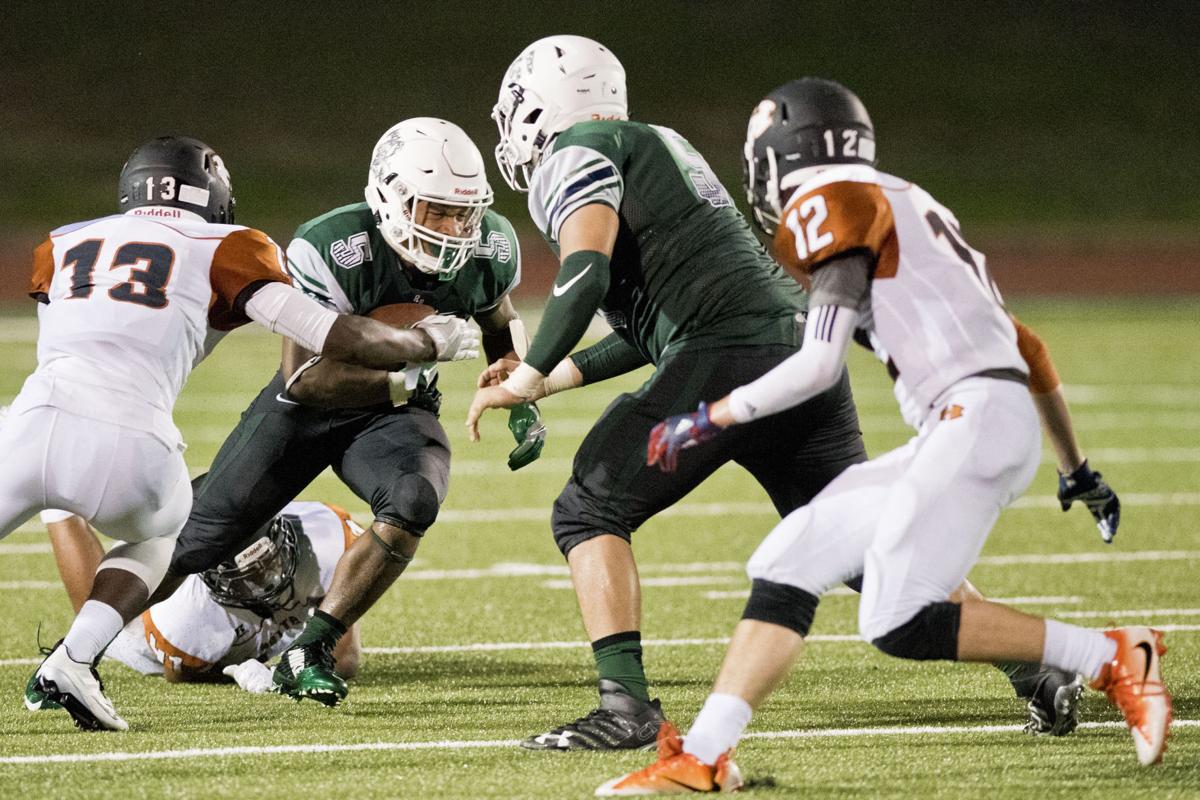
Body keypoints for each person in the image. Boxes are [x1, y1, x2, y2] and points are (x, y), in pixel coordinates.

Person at [596, 78, 1170, 794]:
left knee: (896, 616)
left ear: (781, 153)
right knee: (789, 558)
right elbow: (1030, 348)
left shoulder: (829, 202)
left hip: (972, 417)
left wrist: (711, 416)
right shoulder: (909, 202)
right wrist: (1074, 465)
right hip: (978, 415)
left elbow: (817, 363)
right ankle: (704, 755)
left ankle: (1113, 655)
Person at [467, 36, 868, 750]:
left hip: (730, 352)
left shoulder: (578, 151)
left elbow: (586, 274)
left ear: (542, 106)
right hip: (796, 349)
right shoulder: (655, 143)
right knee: (861, 546)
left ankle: (626, 709)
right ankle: (1043, 670)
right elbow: (661, 325)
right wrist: (558, 377)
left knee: (589, 505)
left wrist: (526, 372)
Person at [8, 135, 478, 731]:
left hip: (33, 417)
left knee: (169, 535)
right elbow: (324, 341)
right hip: (135, 432)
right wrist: (425, 343)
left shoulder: (62, 241)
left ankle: (68, 621)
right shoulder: (230, 245)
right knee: (164, 542)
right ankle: (74, 647)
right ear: (217, 201)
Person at [165, 118, 534, 708]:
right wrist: (410, 365)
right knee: (198, 541)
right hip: (307, 408)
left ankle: (310, 649)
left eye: (464, 213)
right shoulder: (334, 246)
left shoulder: (489, 244)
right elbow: (306, 380)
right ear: (391, 195)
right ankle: (80, 647)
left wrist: (515, 371)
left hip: (395, 413)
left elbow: (497, 318)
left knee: (415, 498)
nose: (456, 228)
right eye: (436, 210)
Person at [24, 498, 362, 707]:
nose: (266, 582)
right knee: (104, 619)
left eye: (269, 563)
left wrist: (283, 668)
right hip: (154, 624)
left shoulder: (324, 535)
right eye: (247, 577)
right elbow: (184, 674)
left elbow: (344, 656)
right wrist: (235, 673)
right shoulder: (184, 619)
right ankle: (59, 507)